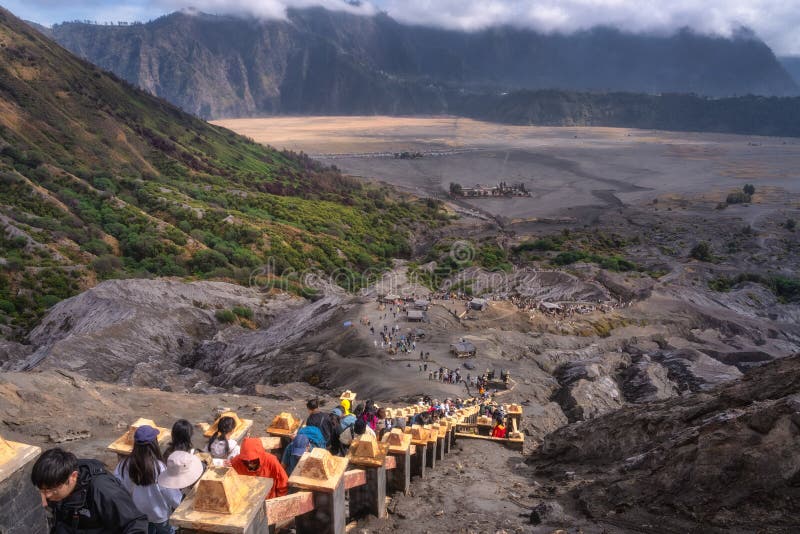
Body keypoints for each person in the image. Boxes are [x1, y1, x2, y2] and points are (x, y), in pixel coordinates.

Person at [31, 448, 147, 534]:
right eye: (42, 490)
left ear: (73, 477)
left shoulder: (103, 489)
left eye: (52, 490)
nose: (45, 500)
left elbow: (135, 523)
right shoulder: (57, 478)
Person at [115, 425, 182, 534]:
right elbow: (170, 493)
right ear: (154, 444)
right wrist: (179, 506)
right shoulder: (159, 467)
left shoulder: (124, 465)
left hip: (137, 514)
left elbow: (119, 487)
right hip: (159, 515)